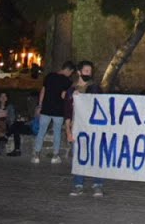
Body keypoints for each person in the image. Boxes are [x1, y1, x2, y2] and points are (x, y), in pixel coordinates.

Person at [68, 63, 106, 197]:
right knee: (78, 156)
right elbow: (67, 110)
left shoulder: (94, 87)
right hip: (77, 127)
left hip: (93, 127)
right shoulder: (71, 89)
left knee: (96, 155)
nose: (88, 73)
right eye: (86, 70)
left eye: (90, 71)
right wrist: (68, 129)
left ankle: (98, 184)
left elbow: (98, 103)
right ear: (79, 72)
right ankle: (78, 185)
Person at [33, 61, 74, 164]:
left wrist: (40, 105)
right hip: (58, 111)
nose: (70, 75)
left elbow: (43, 91)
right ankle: (55, 156)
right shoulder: (67, 81)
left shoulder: (49, 76)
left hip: (46, 109)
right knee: (57, 133)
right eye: (71, 72)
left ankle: (36, 155)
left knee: (41, 131)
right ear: (68, 70)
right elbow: (64, 96)